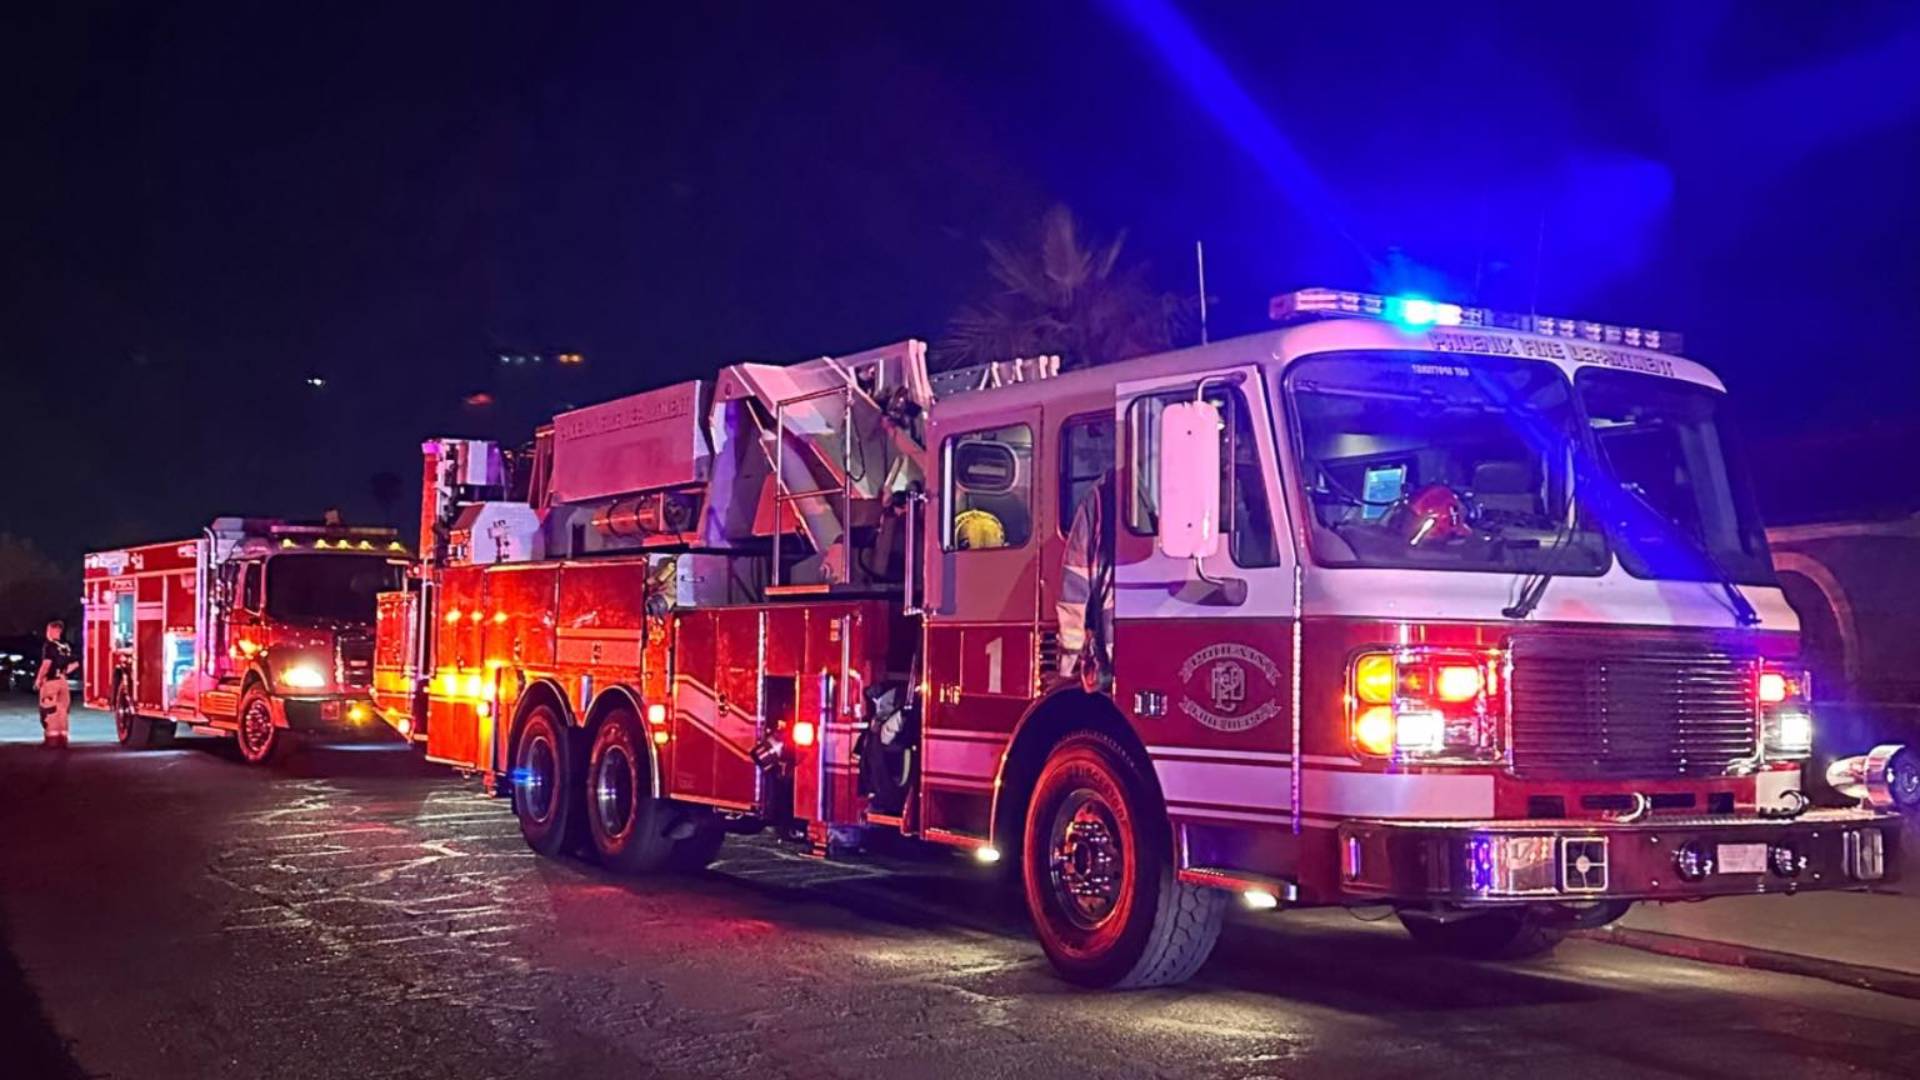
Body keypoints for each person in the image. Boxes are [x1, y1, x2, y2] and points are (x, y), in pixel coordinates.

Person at [35, 618, 77, 749]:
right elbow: (75, 663)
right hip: (63, 682)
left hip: (51, 682)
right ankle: (62, 739)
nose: (47, 633)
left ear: (54, 630)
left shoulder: (50, 646)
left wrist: (39, 679)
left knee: (50, 711)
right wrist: (64, 672)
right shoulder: (66, 647)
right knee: (62, 712)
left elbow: (46, 664)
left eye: (49, 630)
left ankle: (52, 741)